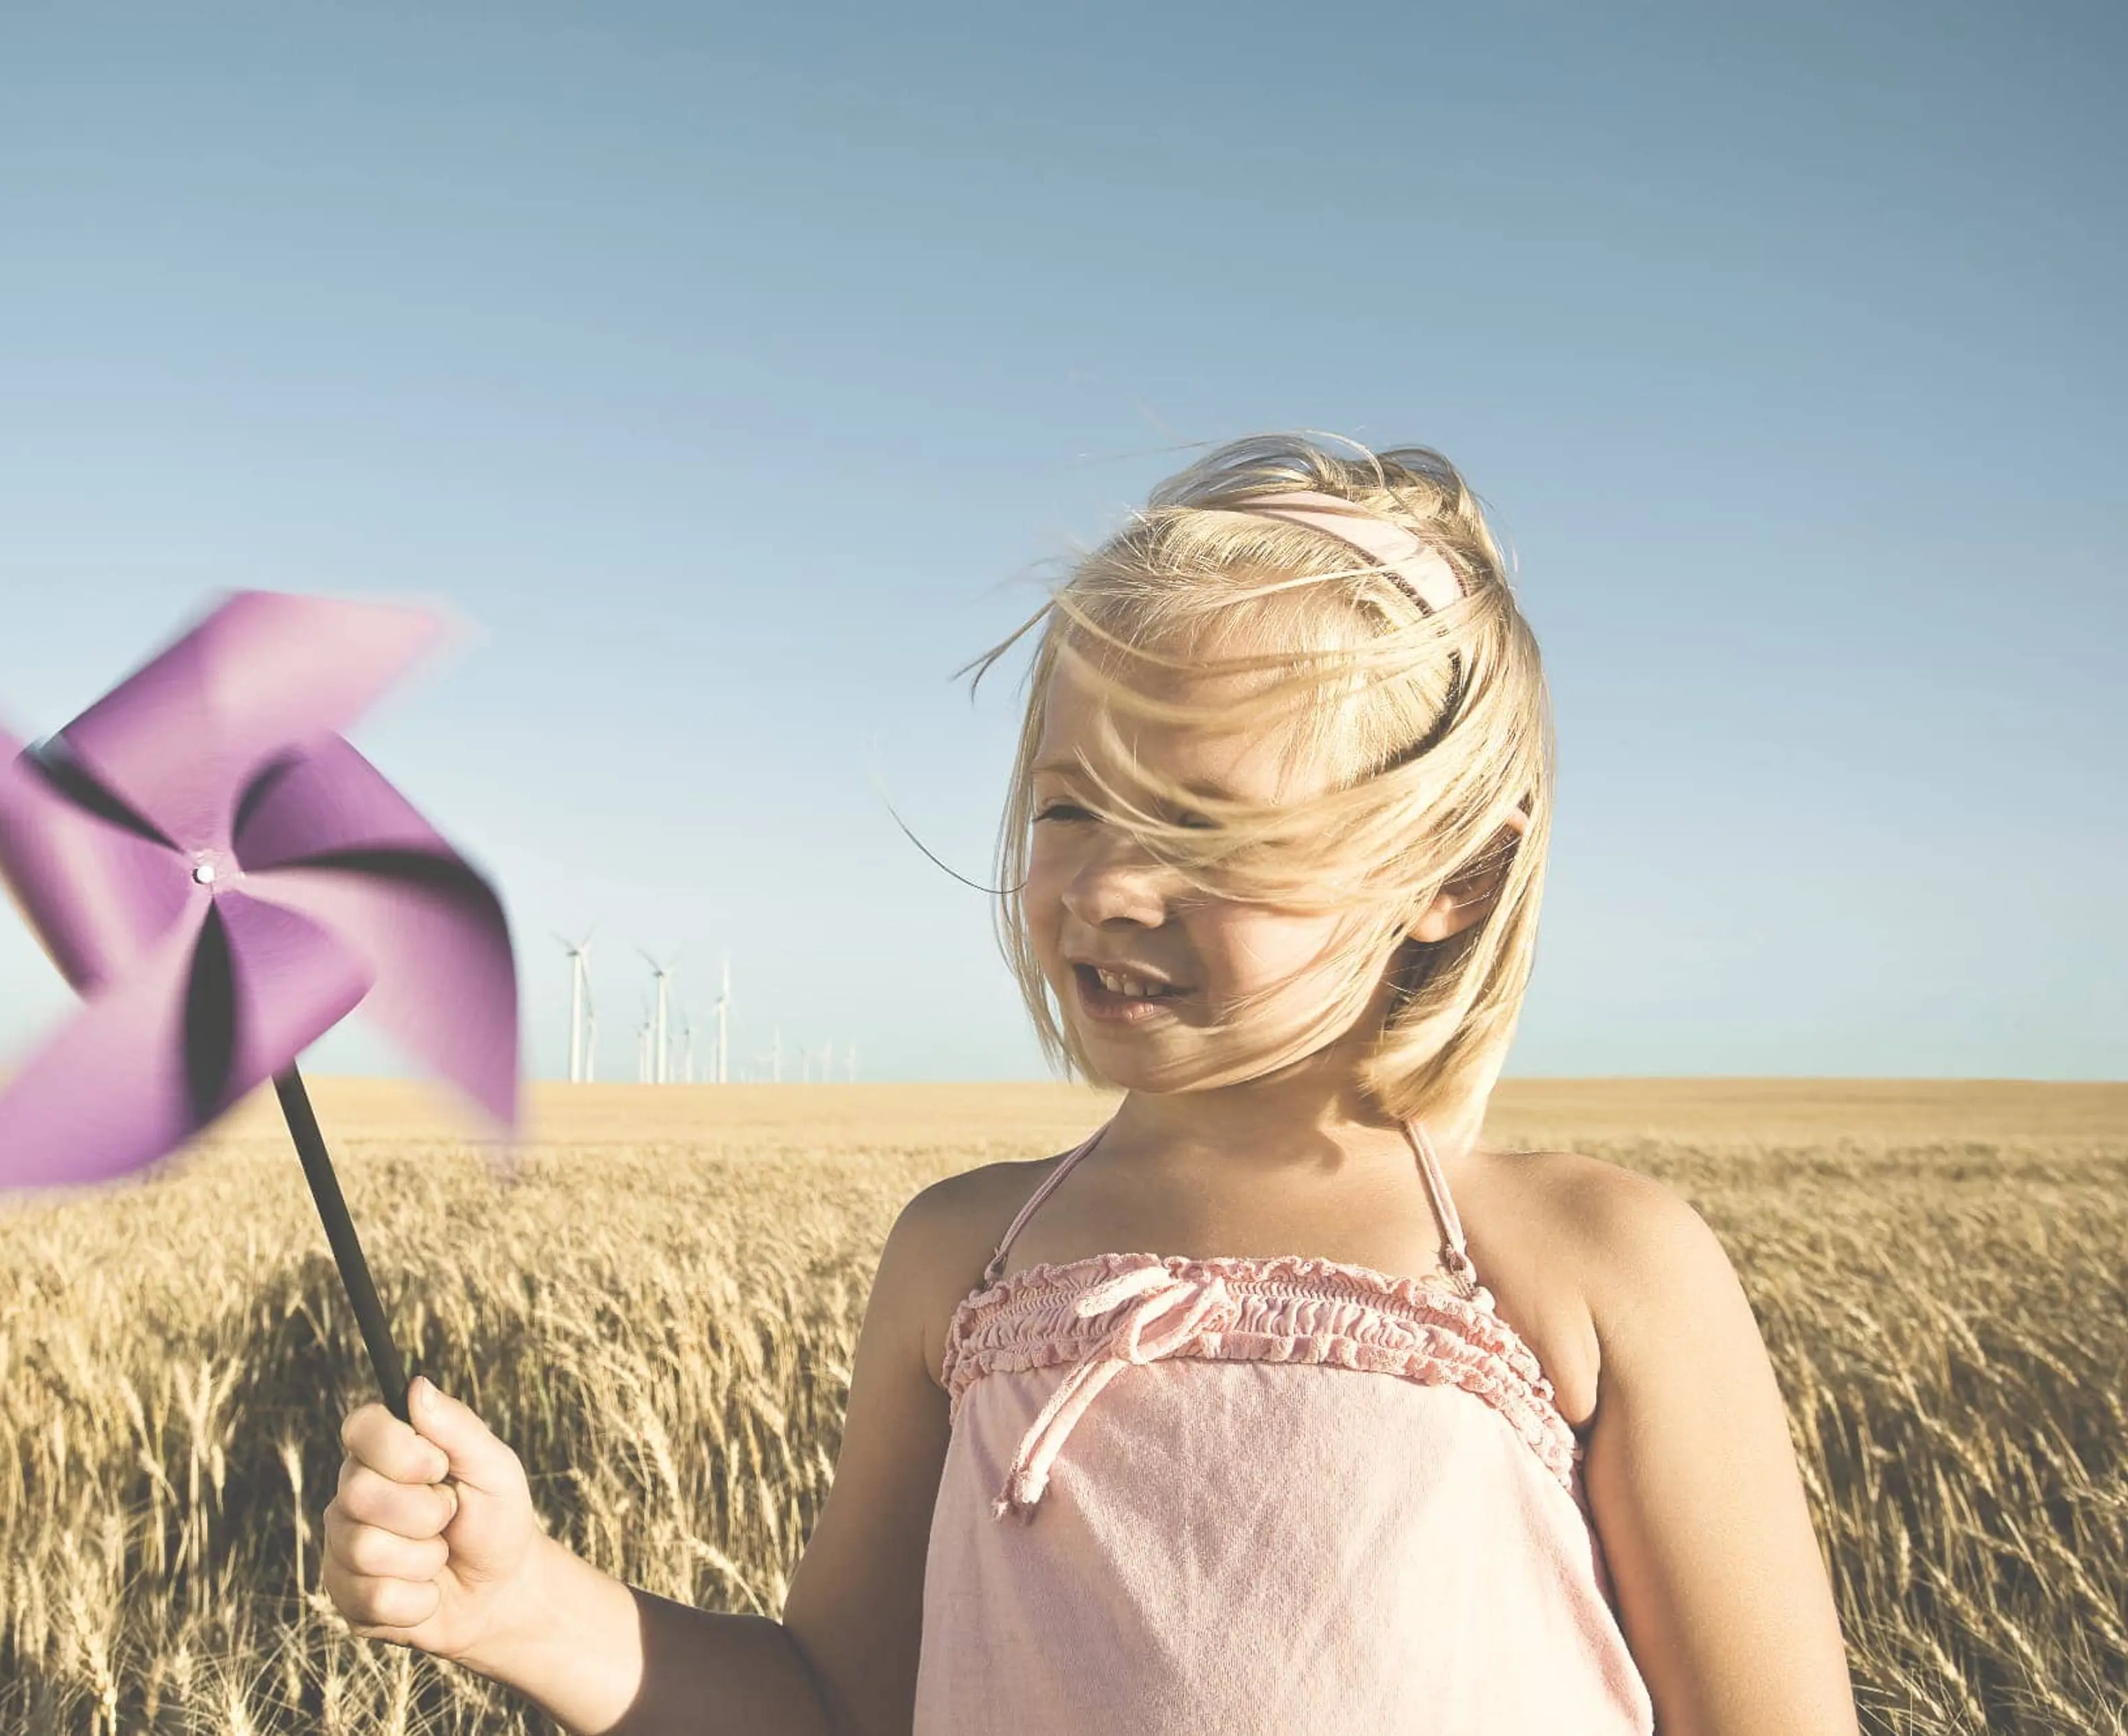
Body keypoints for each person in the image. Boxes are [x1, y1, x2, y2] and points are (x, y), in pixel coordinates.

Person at [319, 433, 1860, 1734]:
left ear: (1453, 876)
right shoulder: (964, 1259)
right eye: (1071, 806)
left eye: (1207, 829)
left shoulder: (1588, 1268)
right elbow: (839, 1707)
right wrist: (527, 1603)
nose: (1112, 887)